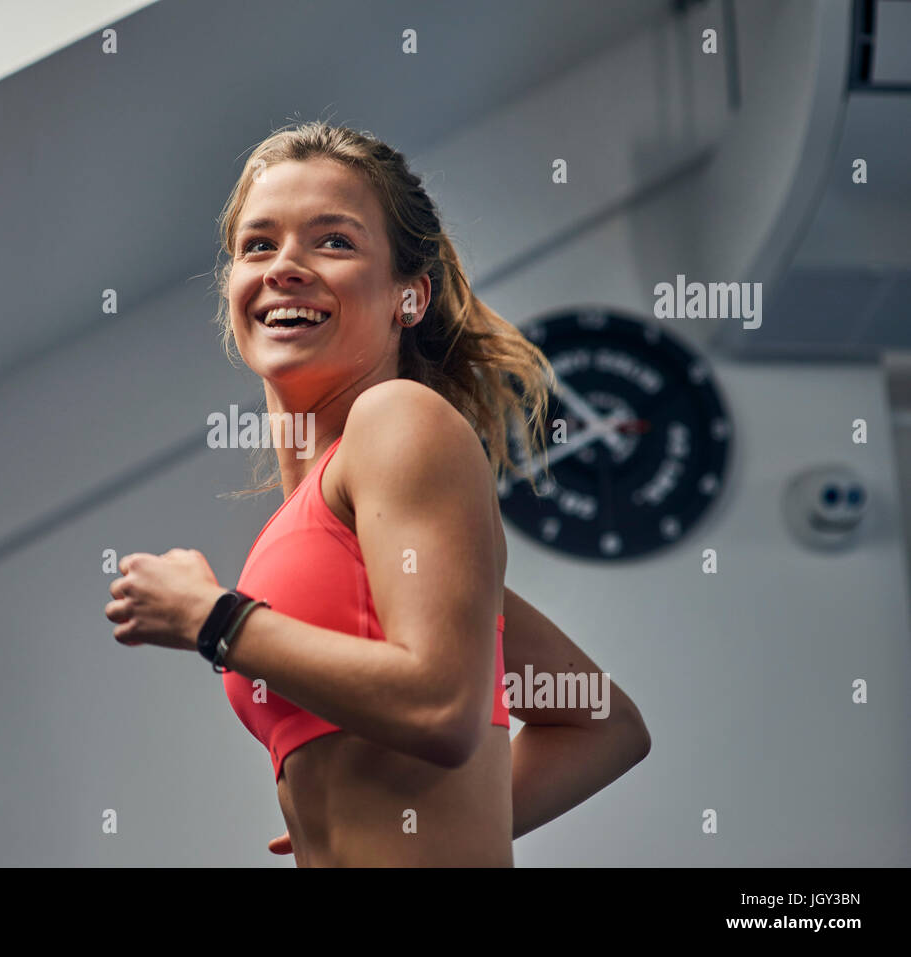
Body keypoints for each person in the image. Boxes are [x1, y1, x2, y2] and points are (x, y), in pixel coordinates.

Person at [104, 121, 650, 866]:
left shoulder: (398, 419)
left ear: (410, 297)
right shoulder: (320, 519)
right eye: (258, 245)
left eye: (333, 241)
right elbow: (601, 722)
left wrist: (216, 618)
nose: (285, 266)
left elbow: (442, 707)